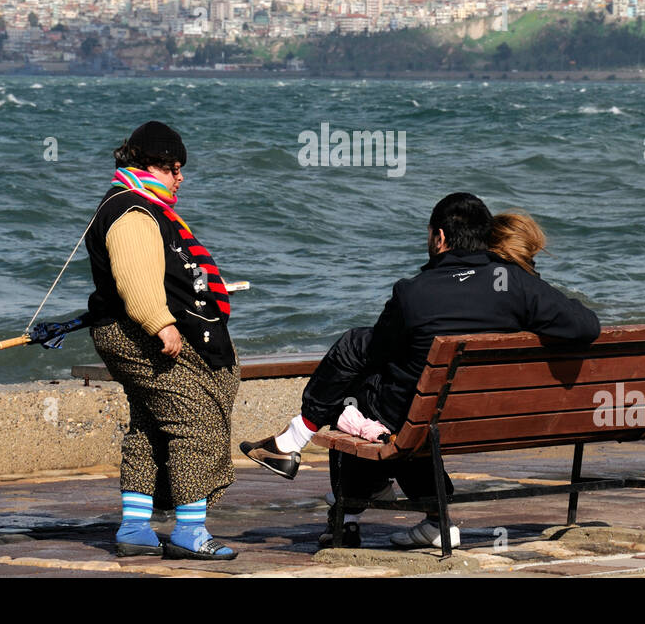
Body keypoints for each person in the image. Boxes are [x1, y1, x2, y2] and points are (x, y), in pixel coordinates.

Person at [239, 194, 600, 550]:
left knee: (356, 390)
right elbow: (586, 326)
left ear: (439, 237)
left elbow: (375, 355)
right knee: (397, 402)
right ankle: (427, 515)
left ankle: (325, 483)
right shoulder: (515, 283)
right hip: (491, 416)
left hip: (420, 419)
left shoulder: (413, 292)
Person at [86, 121, 241, 560]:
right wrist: (161, 323)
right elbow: (137, 278)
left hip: (130, 332)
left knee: (151, 426)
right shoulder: (133, 211)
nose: (180, 177)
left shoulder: (136, 204)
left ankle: (135, 526)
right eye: (175, 168)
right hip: (142, 335)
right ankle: (190, 531)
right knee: (196, 421)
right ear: (153, 165)